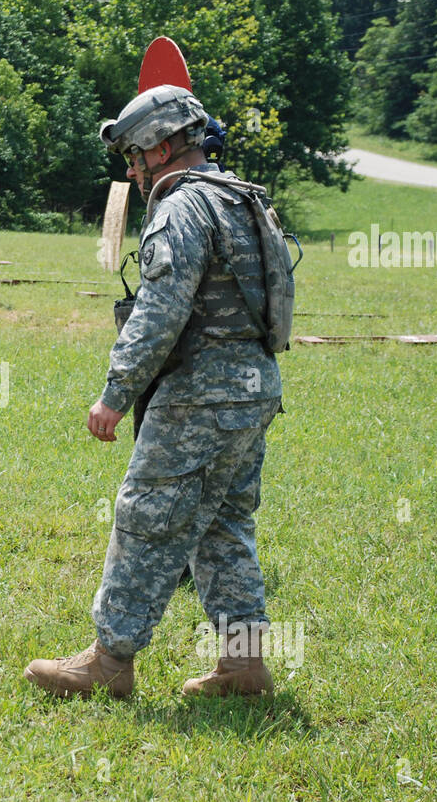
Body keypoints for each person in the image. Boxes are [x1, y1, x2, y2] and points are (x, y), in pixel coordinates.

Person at [23, 85, 282, 699]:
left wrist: (115, 393)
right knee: (224, 526)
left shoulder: (182, 208)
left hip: (199, 396)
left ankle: (108, 663)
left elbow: (159, 312)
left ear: (165, 146)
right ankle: (244, 668)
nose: (134, 171)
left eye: (137, 156)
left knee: (145, 519)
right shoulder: (240, 198)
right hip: (253, 391)